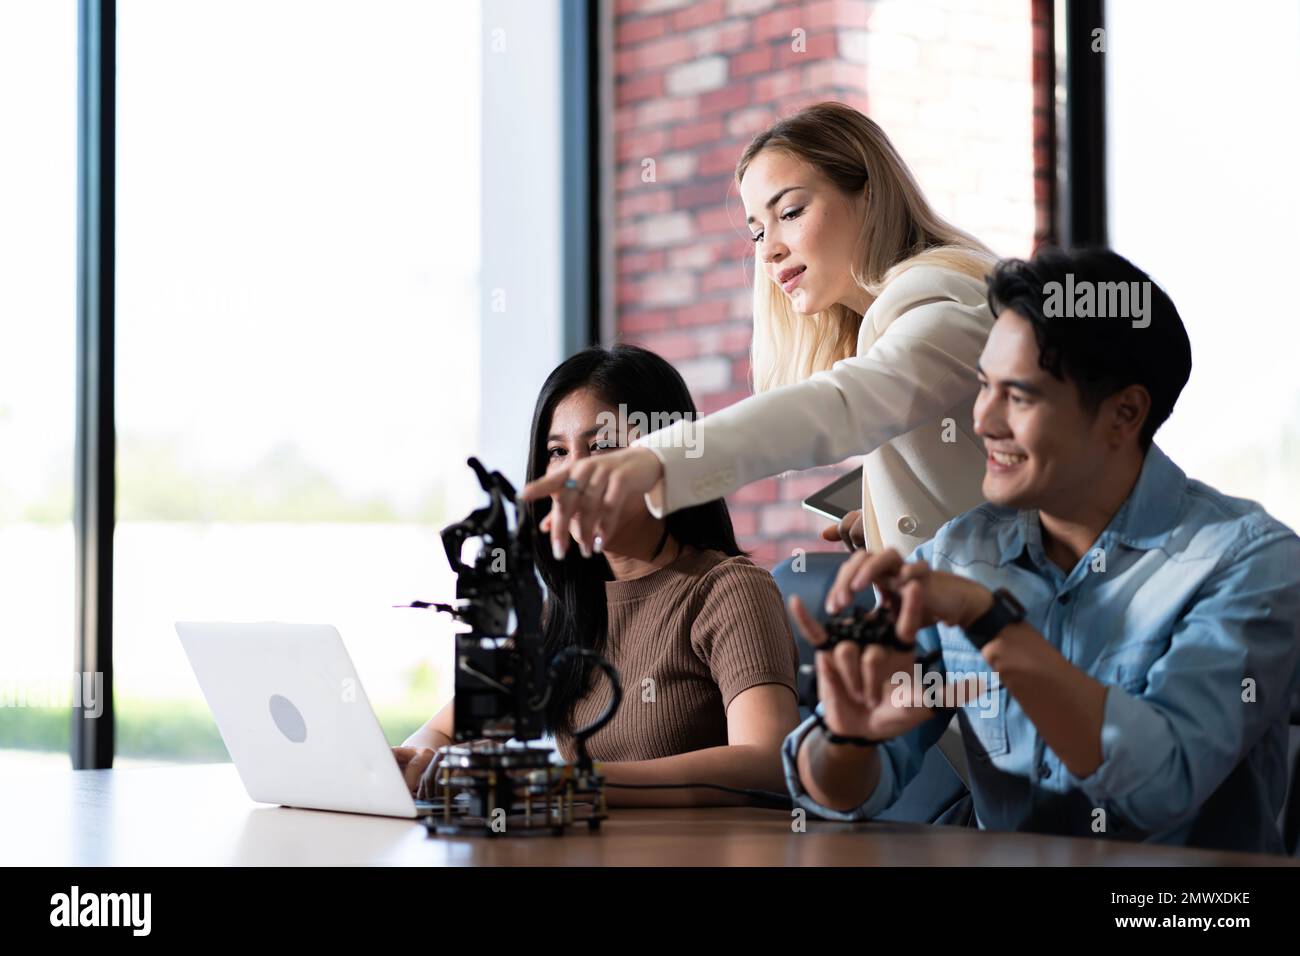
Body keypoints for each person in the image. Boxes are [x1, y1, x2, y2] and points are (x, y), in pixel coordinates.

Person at [784, 248, 1300, 852]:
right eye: (984, 387)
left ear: (1124, 413)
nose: (982, 420)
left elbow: (1161, 786)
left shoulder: (1248, 562)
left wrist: (990, 620)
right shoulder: (958, 554)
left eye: (1019, 397)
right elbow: (838, 794)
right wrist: (848, 738)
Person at [521, 101, 997, 563]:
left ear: (870, 196)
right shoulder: (894, 317)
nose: (768, 250)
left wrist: (656, 461)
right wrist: (887, 516)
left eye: (790, 213)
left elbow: (843, 405)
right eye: (756, 231)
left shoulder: (939, 296)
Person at [395, 345, 801, 807]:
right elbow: (444, 729)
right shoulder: (564, 611)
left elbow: (769, 763)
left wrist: (569, 782)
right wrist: (419, 759)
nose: (574, 474)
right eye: (556, 452)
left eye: (603, 446)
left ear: (666, 454)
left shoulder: (727, 589)